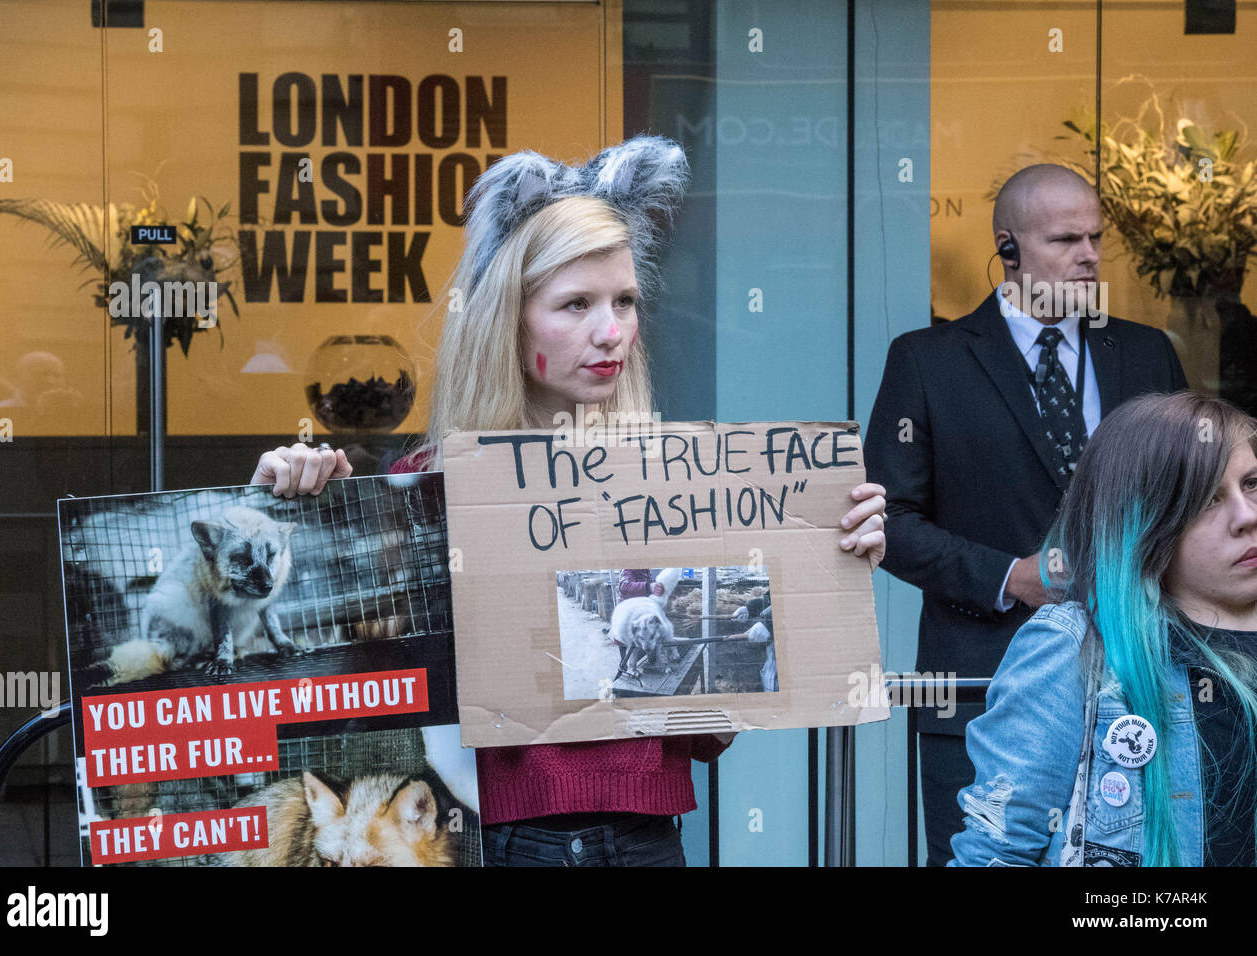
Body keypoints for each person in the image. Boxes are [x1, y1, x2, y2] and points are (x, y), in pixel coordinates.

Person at [251, 134, 888, 866]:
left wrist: (819, 568)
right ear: (507, 318)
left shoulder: (680, 481)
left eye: (625, 301)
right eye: (576, 303)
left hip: (649, 841)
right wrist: (295, 507)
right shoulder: (425, 486)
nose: (610, 332)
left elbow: (710, 728)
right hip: (496, 843)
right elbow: (357, 684)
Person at [865, 163, 1188, 866]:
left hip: (1145, 675)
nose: (1090, 256)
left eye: (1097, 238)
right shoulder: (927, 361)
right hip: (981, 681)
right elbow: (886, 522)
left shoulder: (1147, 353)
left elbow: (1191, 500)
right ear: (1007, 248)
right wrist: (1009, 575)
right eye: (1066, 239)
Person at [951, 391, 1257, 866]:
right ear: (1144, 522)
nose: (1247, 516)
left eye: (1253, 484)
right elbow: (997, 853)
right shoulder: (1073, 648)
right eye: (1207, 499)